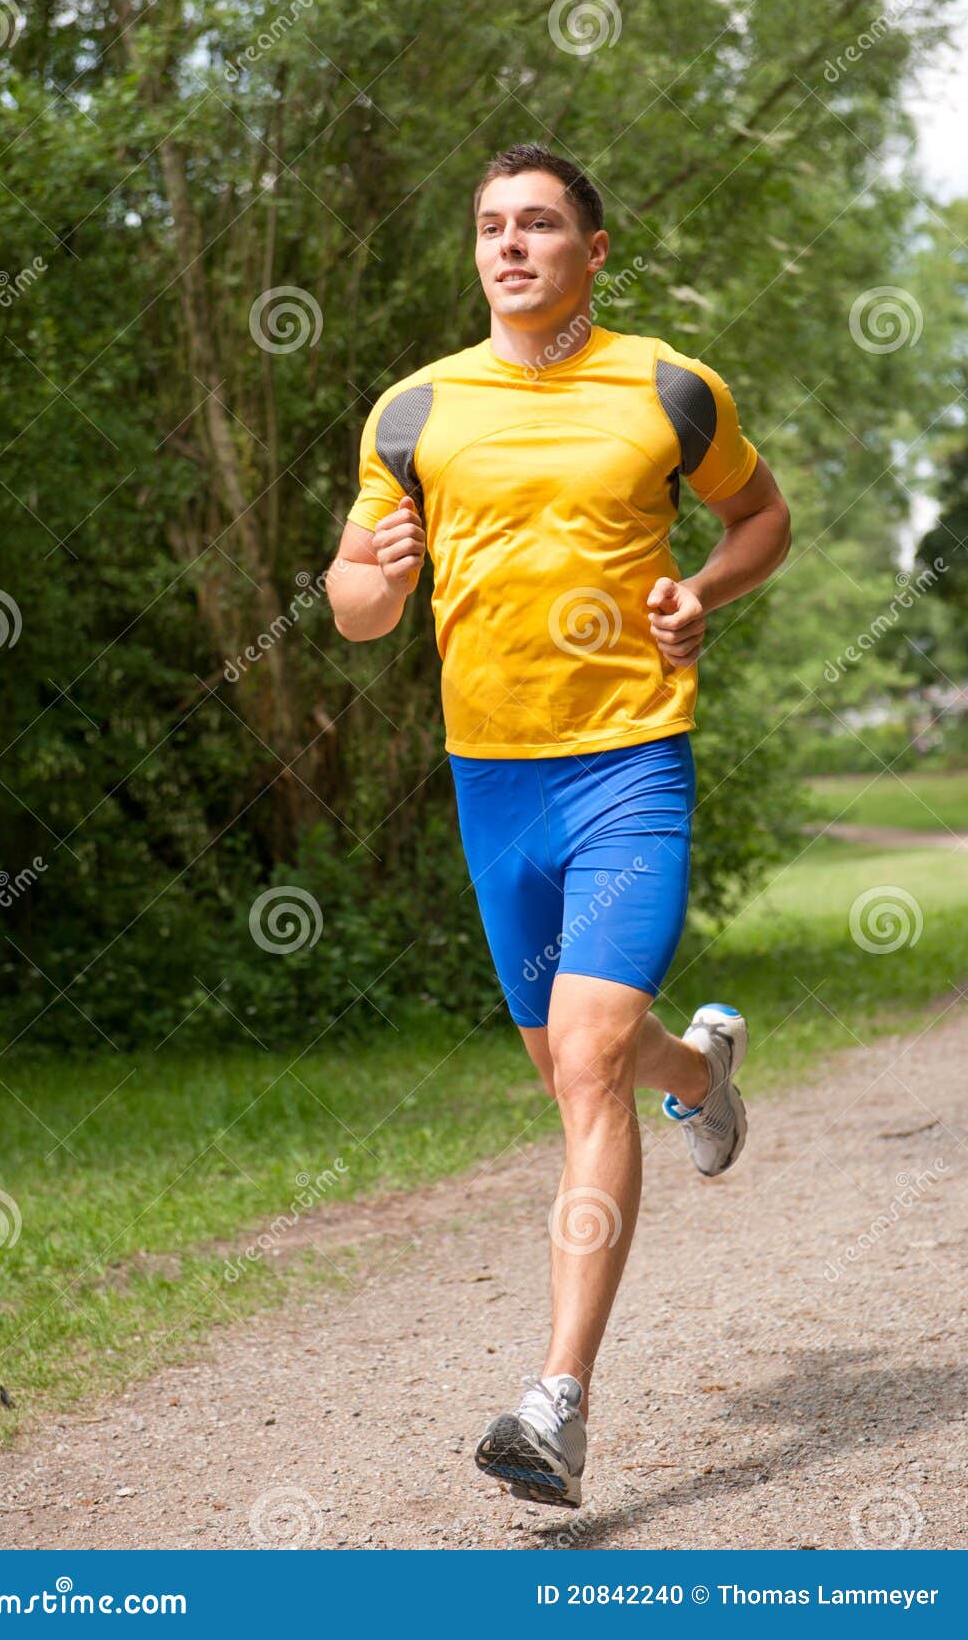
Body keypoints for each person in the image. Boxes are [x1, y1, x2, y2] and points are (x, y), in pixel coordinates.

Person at [326, 142, 791, 1510]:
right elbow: (357, 606)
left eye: (538, 224)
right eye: (489, 225)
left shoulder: (665, 386)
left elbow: (759, 518)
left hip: (627, 762)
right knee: (571, 1062)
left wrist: (703, 591)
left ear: (592, 251)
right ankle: (702, 1077)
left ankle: (557, 1401)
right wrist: (372, 572)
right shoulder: (412, 412)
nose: (510, 244)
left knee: (586, 1054)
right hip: (494, 778)